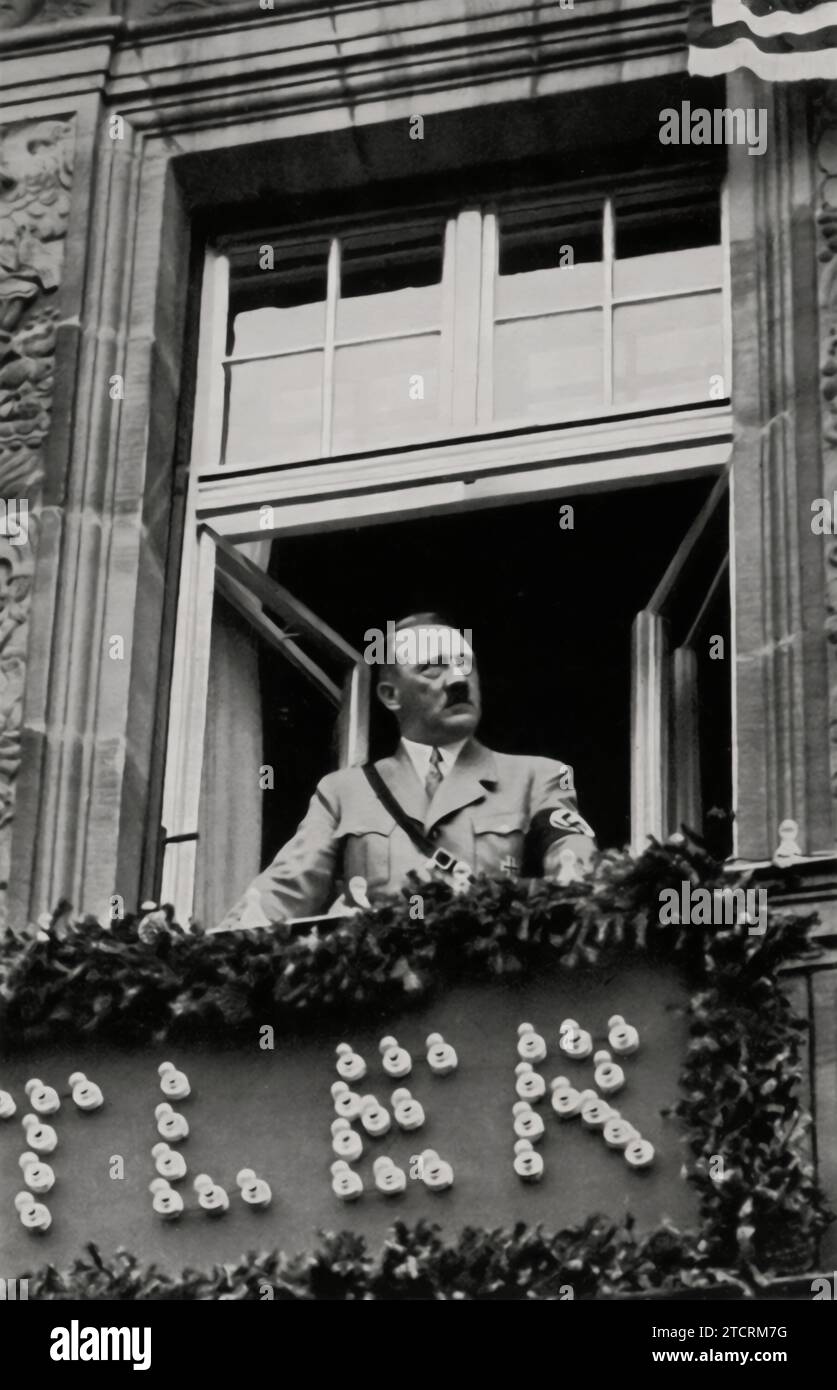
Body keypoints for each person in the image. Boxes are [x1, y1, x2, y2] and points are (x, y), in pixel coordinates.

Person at [213, 613, 595, 930]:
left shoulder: (536, 777)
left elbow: (571, 857)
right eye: (432, 669)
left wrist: (573, 885)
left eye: (465, 665)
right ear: (391, 696)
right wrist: (211, 956)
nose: (458, 680)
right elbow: (283, 894)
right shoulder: (345, 792)